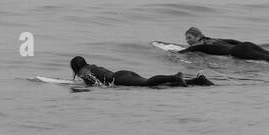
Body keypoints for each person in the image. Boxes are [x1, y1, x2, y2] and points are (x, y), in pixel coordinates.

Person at [178, 27, 269, 65]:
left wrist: (175, 53)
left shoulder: (200, 44)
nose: (188, 41)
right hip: (246, 44)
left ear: (198, 36)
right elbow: (231, 40)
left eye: (190, 38)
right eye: (186, 38)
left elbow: (191, 49)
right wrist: (243, 45)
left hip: (238, 51)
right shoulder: (214, 39)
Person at [70, 56, 213, 88]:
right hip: (123, 74)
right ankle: (197, 81)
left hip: (120, 79)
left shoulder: (87, 72)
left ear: (78, 69)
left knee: (147, 83)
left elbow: (92, 84)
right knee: (158, 85)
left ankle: (175, 76)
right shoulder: (92, 66)